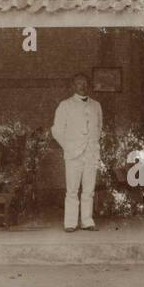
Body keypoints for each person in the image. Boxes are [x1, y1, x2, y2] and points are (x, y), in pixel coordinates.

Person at [51, 72, 103, 232]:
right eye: (79, 83)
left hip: (91, 153)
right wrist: (70, 147)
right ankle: (70, 223)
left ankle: (87, 221)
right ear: (73, 86)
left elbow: (99, 127)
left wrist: (92, 143)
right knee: (72, 190)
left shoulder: (96, 105)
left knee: (89, 189)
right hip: (73, 154)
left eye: (85, 83)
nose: (83, 86)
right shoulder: (65, 105)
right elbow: (56, 130)